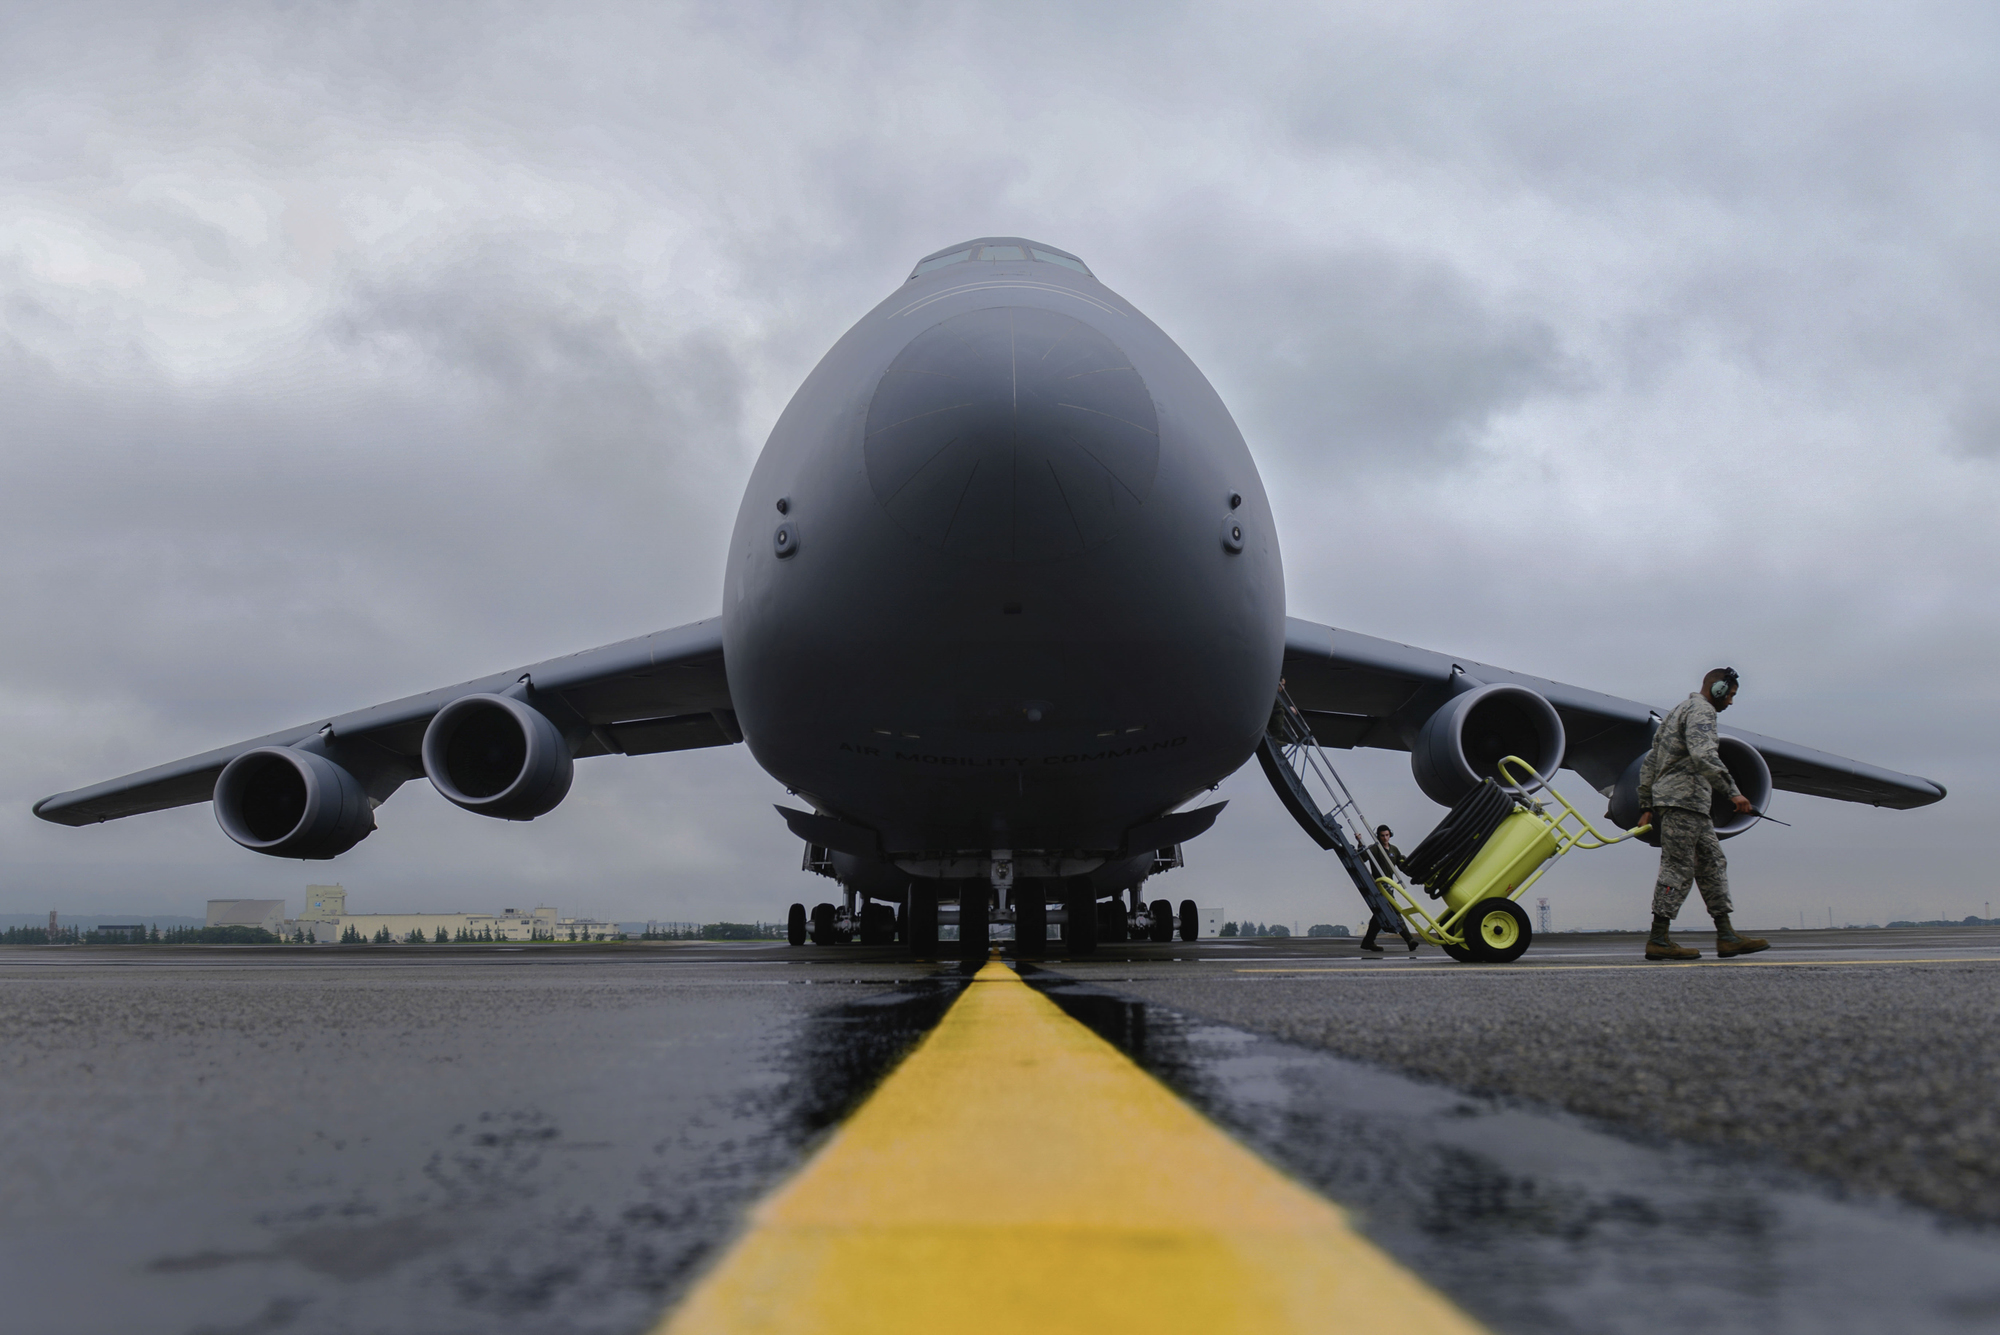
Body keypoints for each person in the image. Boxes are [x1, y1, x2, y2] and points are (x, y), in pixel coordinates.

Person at [1637, 668, 1771, 961]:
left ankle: (1726, 936)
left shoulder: (1677, 712)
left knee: (1712, 863)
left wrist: (1646, 805)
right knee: (1678, 867)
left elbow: (1650, 760)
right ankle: (1658, 938)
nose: (1731, 702)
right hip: (1682, 802)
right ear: (1719, 689)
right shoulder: (1702, 712)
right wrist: (1733, 792)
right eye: (1731, 695)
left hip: (1692, 805)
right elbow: (1704, 755)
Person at [1360, 824, 1418, 953]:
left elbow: (1402, 864)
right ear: (1378, 837)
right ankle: (1409, 940)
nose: (1385, 838)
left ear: (1390, 835)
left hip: (1390, 886)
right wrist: (1359, 842)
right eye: (1382, 836)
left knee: (1379, 915)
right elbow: (1362, 858)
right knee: (1395, 911)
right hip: (1379, 887)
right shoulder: (1375, 849)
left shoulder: (1394, 850)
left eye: (1387, 835)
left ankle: (1368, 942)